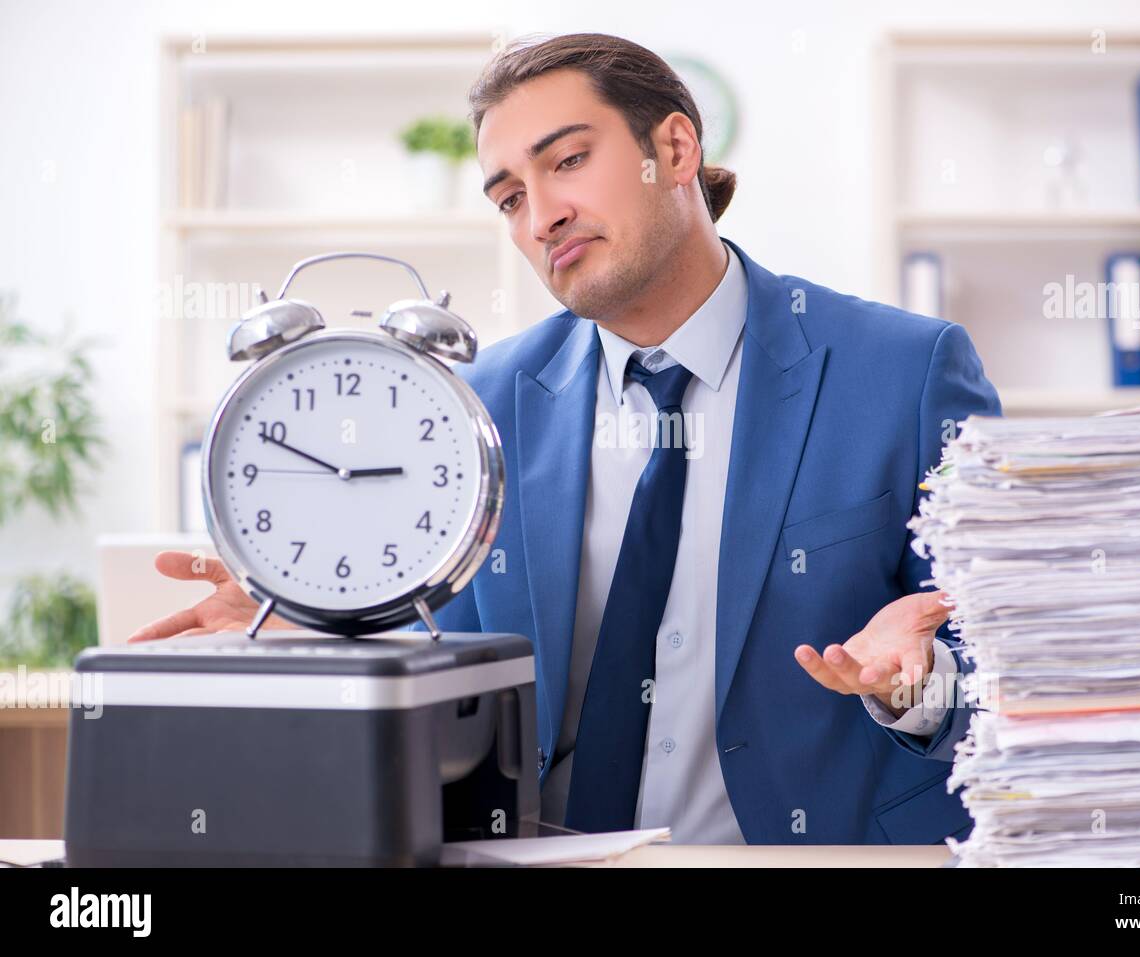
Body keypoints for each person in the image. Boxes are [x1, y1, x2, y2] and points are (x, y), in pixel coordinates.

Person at [130, 33, 1001, 845]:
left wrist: (918, 686)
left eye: (569, 161)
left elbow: (1010, 674)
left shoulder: (904, 372)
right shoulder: (475, 405)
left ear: (675, 150)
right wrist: (323, 642)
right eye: (510, 196)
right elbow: (446, 663)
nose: (540, 215)